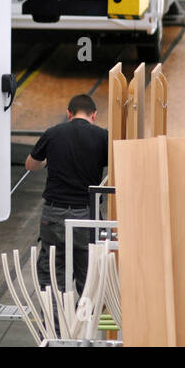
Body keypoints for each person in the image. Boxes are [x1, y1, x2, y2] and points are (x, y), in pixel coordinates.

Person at [25, 93, 108, 295]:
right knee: (88, 278)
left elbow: (31, 164)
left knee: (52, 276)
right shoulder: (102, 136)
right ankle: (82, 323)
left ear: (69, 114)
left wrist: (47, 160)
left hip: (54, 215)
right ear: (94, 115)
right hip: (86, 216)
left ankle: (56, 325)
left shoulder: (53, 133)